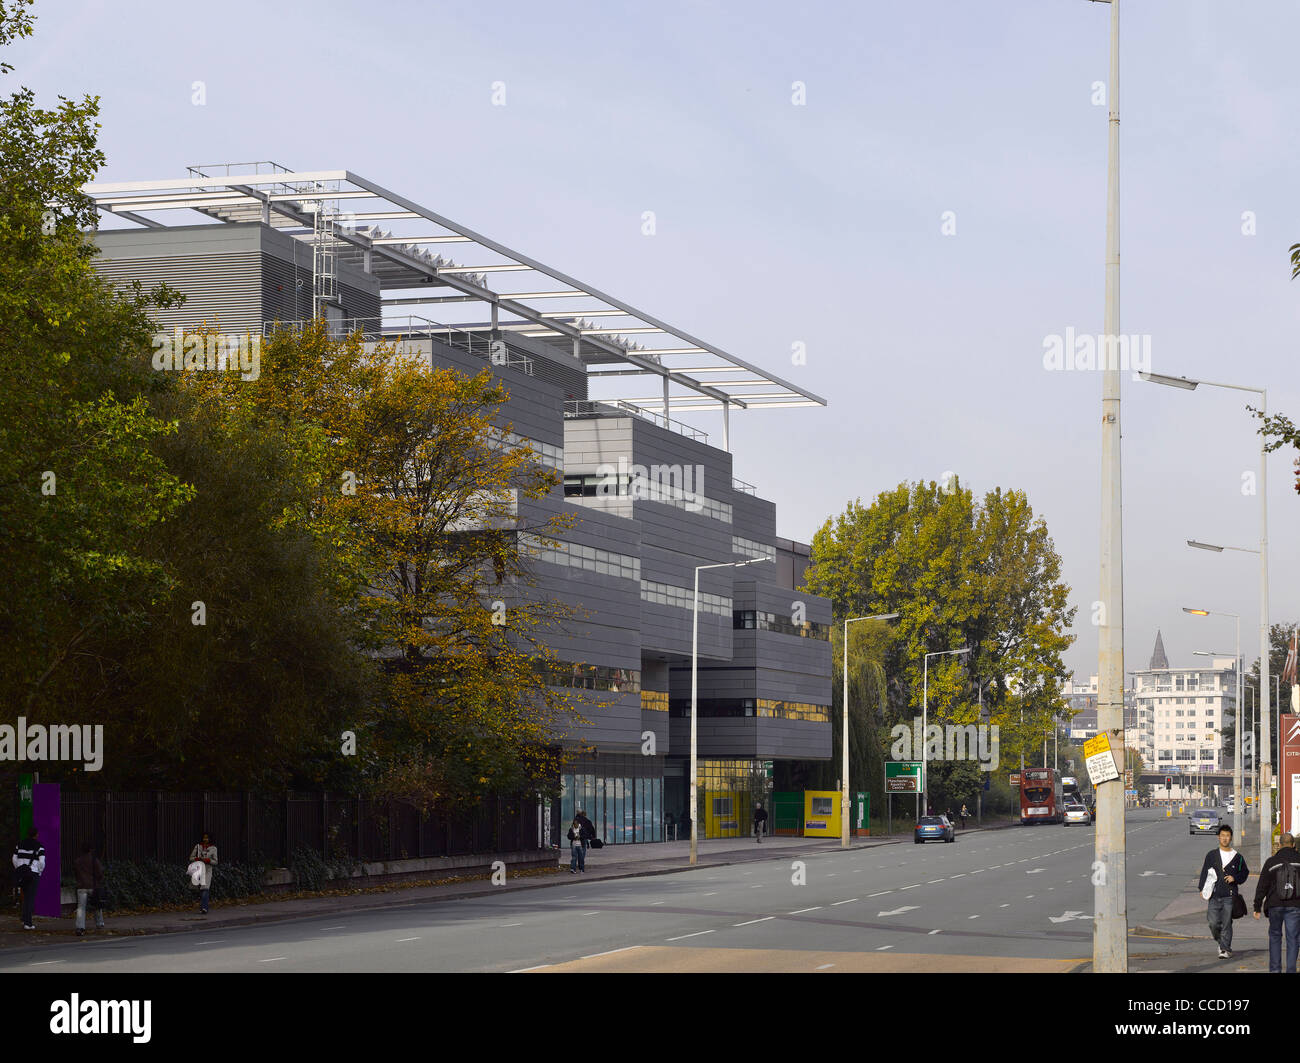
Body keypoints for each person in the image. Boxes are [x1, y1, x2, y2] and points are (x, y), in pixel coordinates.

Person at [1197, 823, 1249, 959]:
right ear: (1218, 838)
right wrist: (1202, 888)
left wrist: (1235, 878)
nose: (1225, 838)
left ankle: (1225, 949)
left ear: (1230, 838)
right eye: (1222, 836)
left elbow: (1245, 873)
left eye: (1227, 836)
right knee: (1213, 923)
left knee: (1227, 924)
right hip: (1214, 895)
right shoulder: (1212, 855)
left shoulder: (1237, 857)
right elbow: (1205, 872)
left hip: (1230, 896)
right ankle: (1221, 943)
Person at [1252, 831, 1300, 973]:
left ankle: (1275, 970)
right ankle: (1291, 970)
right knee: (1293, 938)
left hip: (1275, 905)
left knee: (1275, 937)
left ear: (1279, 845)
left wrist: (1257, 906)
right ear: (1293, 845)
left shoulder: (1271, 862)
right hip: (1295, 905)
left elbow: (1262, 886)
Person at [11, 827, 44, 930]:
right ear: (36, 835)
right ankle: (28, 923)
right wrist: (39, 871)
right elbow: (42, 862)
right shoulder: (39, 846)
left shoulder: (19, 844)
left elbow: (14, 858)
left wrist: (19, 868)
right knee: (30, 898)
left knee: (25, 897)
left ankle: (24, 919)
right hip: (33, 873)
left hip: (23, 873)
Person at [74, 842, 106, 936]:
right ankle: (99, 923)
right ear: (90, 850)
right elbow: (100, 872)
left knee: (81, 908)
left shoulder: (77, 861)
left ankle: (80, 928)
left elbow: (76, 873)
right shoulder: (94, 860)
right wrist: (98, 881)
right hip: (93, 886)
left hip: (81, 887)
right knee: (97, 904)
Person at [189, 832, 218, 914]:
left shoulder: (213, 848)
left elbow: (216, 862)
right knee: (198, 889)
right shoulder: (198, 847)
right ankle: (202, 906)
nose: (205, 839)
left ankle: (204, 908)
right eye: (204, 838)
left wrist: (209, 860)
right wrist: (196, 859)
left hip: (208, 870)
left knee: (205, 888)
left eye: (207, 838)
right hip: (198, 869)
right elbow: (191, 857)